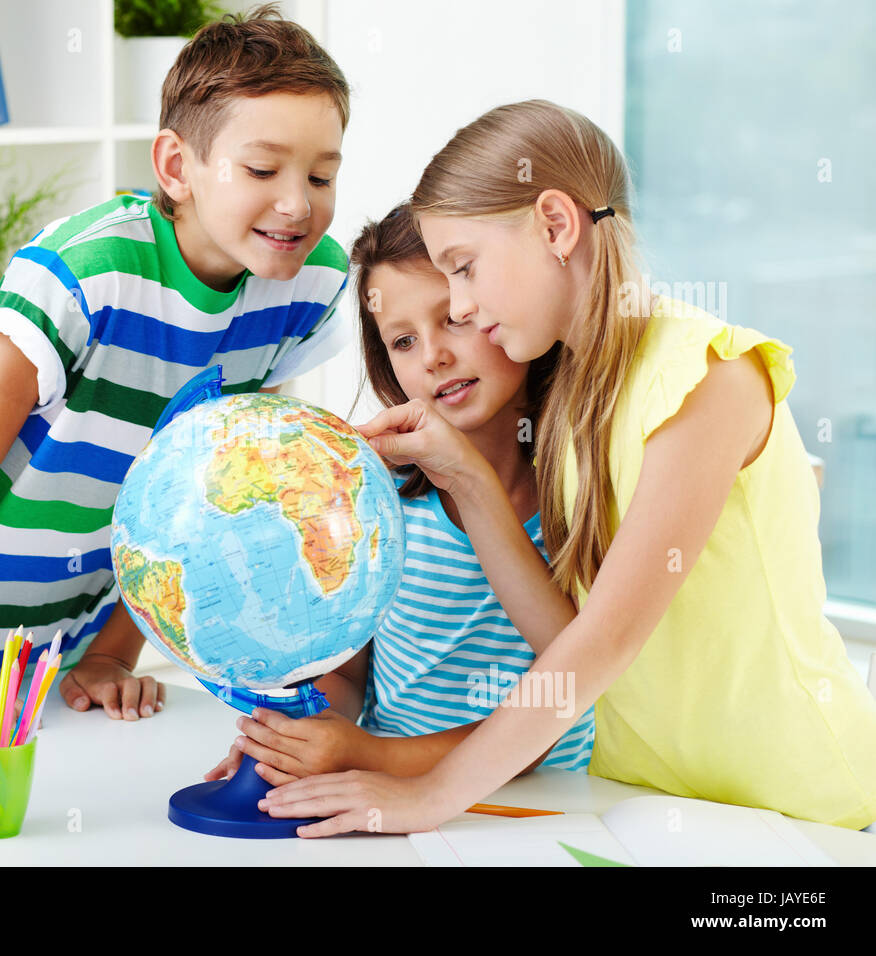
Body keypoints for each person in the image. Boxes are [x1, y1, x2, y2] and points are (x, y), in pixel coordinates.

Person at [260, 99, 876, 835]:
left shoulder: (709, 377)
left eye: (464, 269)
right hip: (640, 795)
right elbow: (565, 633)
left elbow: (605, 638)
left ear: (556, 226)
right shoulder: (581, 404)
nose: (459, 302)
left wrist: (428, 795)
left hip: (793, 806)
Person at [0, 5, 353, 723]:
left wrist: (111, 654)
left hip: (31, 655)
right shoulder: (84, 275)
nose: (296, 203)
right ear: (176, 167)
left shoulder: (306, 286)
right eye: (262, 168)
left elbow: (207, 499)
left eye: (322, 176)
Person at [206, 203, 594, 785]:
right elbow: (348, 674)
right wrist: (302, 740)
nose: (433, 356)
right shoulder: (378, 498)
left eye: (455, 320)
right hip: (389, 802)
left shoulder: (578, 491)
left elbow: (571, 688)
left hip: (543, 806)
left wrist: (370, 756)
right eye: (403, 340)